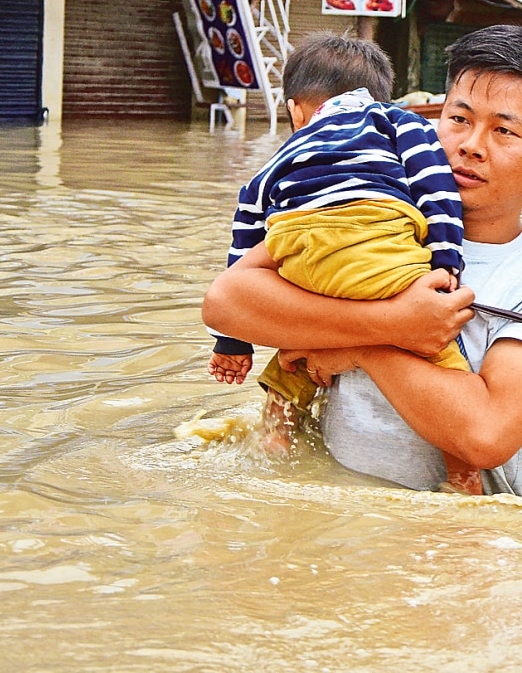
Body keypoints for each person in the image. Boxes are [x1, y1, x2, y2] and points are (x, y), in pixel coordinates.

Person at [202, 25, 522, 496]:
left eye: (504, 130)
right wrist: (389, 321)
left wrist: (364, 347)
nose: (472, 145)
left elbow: (487, 434)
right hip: (332, 525)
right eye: (459, 119)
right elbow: (225, 302)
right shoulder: (365, 214)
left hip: (456, 541)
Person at [203, 34, 484, 489]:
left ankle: (277, 431)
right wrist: (446, 258)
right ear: (379, 93)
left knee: (299, 336)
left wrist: (232, 344)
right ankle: (462, 473)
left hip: (298, 250)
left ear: (296, 109)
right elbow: (433, 183)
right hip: (373, 240)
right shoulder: (394, 119)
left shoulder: (276, 160)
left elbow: (243, 250)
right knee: (439, 351)